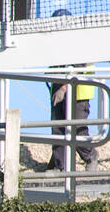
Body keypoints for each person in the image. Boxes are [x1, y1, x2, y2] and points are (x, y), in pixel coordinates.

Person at [41, 9, 97, 172]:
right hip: (59, 91)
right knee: (58, 128)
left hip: (78, 93)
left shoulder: (79, 42)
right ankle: (61, 166)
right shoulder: (56, 45)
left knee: (77, 129)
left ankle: (90, 157)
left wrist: (65, 88)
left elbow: (79, 68)